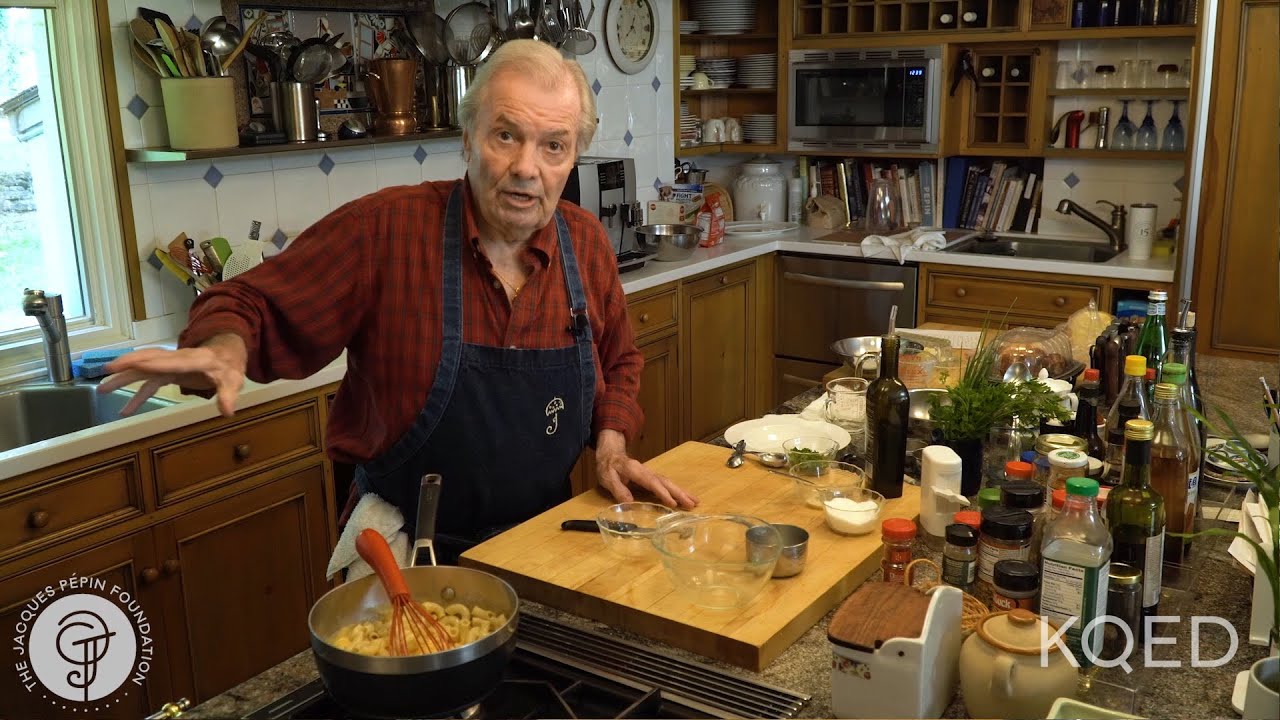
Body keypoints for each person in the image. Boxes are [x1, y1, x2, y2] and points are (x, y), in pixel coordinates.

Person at [100, 40, 697, 563]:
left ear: (572, 158)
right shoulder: (384, 231)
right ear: (468, 139)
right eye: (506, 135)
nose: (525, 169)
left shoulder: (585, 243)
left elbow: (618, 361)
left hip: (542, 541)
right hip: (398, 549)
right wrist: (224, 349)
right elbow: (250, 303)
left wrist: (612, 446)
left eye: (553, 147)